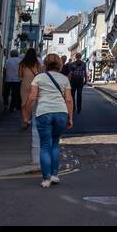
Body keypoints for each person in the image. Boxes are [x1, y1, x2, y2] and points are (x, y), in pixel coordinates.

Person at [23, 53, 73, 187]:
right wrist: (70, 117)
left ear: (45, 63)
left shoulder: (39, 78)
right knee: (55, 143)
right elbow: (68, 99)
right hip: (61, 113)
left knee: (45, 145)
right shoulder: (64, 79)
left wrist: (26, 114)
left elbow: (32, 97)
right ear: (59, 65)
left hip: (44, 112)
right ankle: (55, 175)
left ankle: (46, 179)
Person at [17, 48, 42, 132]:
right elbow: (40, 74)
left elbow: (19, 75)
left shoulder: (22, 64)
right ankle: (28, 118)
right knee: (30, 103)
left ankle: (25, 120)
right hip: (34, 85)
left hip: (24, 84)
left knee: (23, 103)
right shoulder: (37, 64)